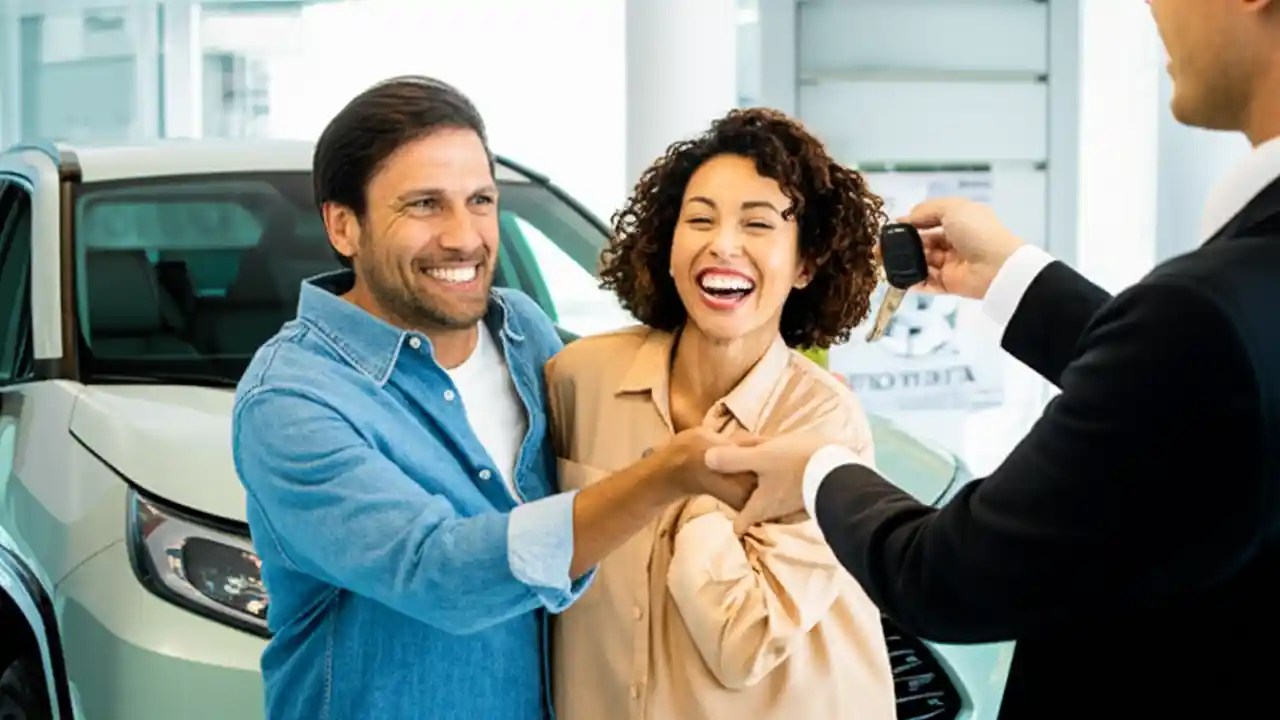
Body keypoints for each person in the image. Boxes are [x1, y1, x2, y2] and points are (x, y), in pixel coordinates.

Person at [705, 1, 1280, 718]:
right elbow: (1203, 403)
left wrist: (820, 467)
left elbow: (946, 576)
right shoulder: (1222, 316)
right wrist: (1014, 278)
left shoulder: (1208, 314)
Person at [230, 75, 761, 720]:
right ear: (345, 226)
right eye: (424, 205)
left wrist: (762, 379)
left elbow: (642, 391)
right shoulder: (292, 401)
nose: (465, 236)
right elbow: (442, 574)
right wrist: (666, 475)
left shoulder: (522, 330)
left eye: (480, 200)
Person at [544, 108, 897, 720]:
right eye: (699, 220)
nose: (722, 244)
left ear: (806, 265)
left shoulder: (819, 419)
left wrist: (687, 485)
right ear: (668, 248)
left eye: (757, 224)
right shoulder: (580, 378)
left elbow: (746, 641)